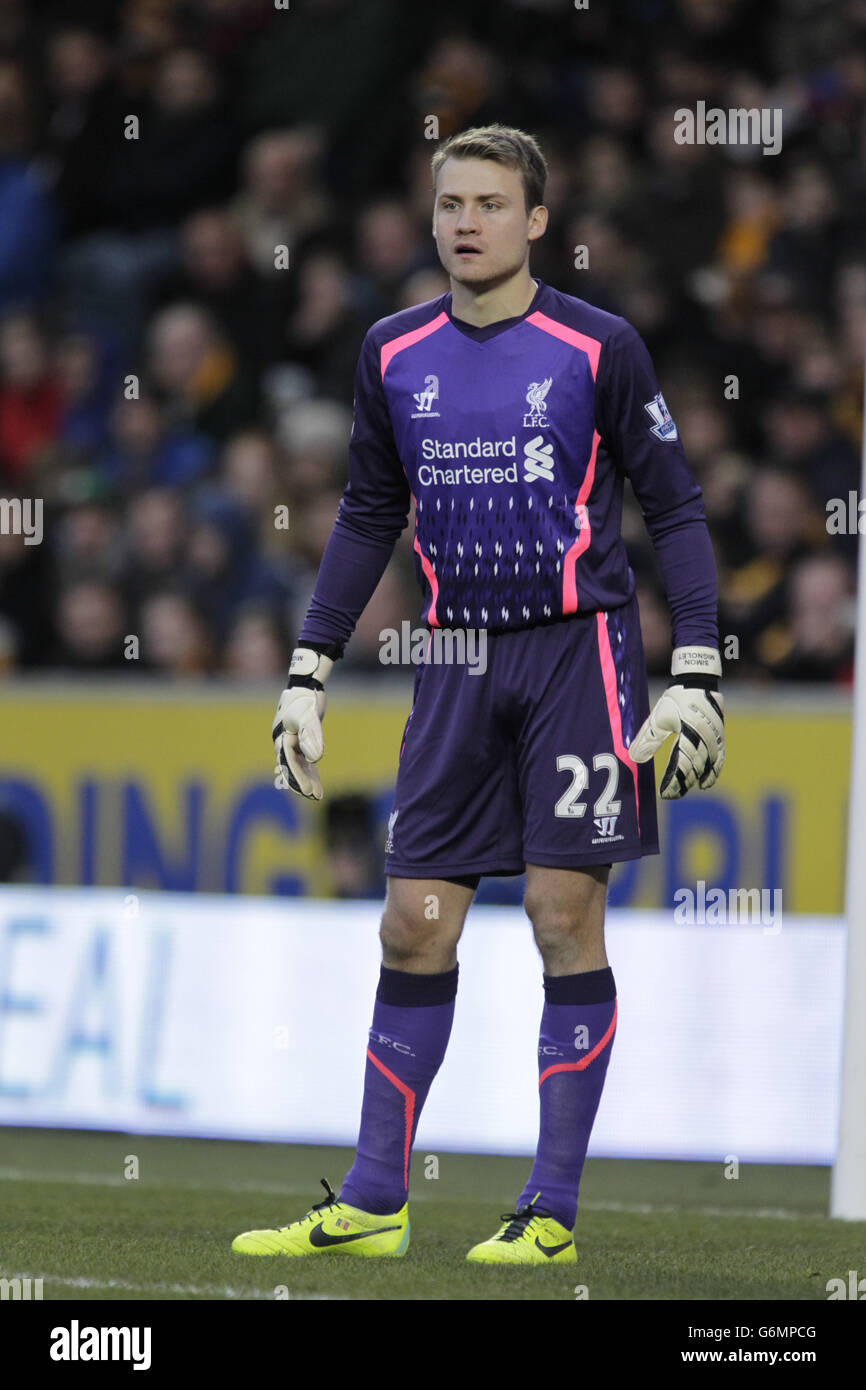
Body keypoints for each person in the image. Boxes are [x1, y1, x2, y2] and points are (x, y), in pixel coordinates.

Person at [233, 125, 725, 1266]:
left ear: (536, 220)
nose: (465, 222)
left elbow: (679, 507)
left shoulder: (597, 346)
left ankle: (547, 1210)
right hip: (451, 657)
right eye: (450, 202)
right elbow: (366, 511)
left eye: (491, 204)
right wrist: (308, 667)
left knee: (561, 917)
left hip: (576, 655)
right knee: (410, 927)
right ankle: (371, 1200)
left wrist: (696, 665)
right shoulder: (392, 350)